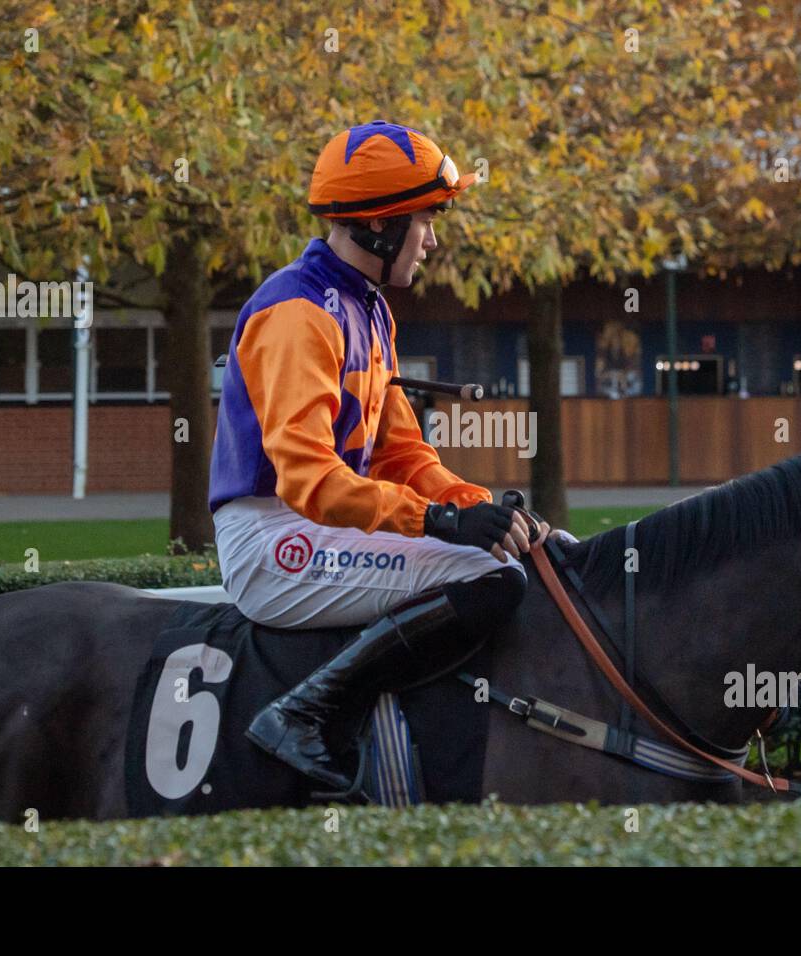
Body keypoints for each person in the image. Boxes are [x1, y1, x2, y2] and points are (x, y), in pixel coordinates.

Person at [209, 121, 550, 791]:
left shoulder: (369, 311)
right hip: (271, 541)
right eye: (424, 220)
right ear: (377, 224)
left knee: (521, 557)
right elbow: (309, 479)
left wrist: (481, 510)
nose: (432, 239)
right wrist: (438, 525)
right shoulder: (297, 313)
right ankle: (307, 714)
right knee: (490, 577)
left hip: (324, 528)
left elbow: (403, 458)